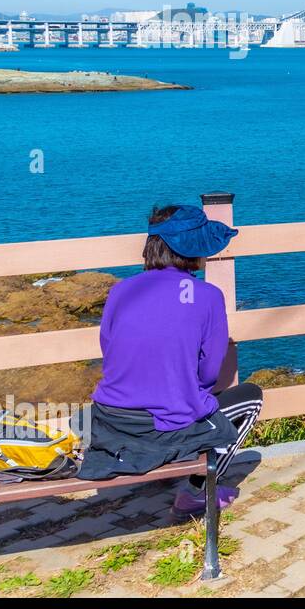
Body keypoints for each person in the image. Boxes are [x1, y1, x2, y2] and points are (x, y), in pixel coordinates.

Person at [79, 205, 263, 518]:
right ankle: (195, 492)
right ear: (195, 251)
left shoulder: (120, 290)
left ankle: (161, 467)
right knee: (251, 398)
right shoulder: (207, 296)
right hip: (159, 426)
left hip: (109, 419)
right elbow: (208, 372)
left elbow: (109, 352)